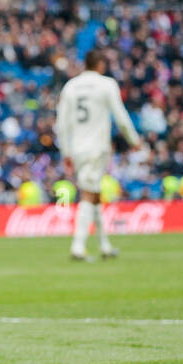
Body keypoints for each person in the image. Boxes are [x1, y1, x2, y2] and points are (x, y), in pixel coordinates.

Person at [55, 49, 143, 261]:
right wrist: (134, 140)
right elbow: (120, 117)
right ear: (100, 65)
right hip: (96, 147)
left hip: (76, 148)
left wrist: (65, 152)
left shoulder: (71, 86)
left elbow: (61, 123)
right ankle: (78, 246)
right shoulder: (107, 84)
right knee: (88, 193)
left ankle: (104, 245)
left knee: (94, 194)